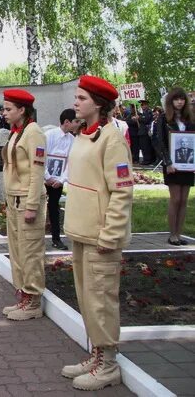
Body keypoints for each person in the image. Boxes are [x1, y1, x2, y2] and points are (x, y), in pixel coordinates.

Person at [61, 76, 132, 391]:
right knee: (87, 300)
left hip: (101, 237)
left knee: (101, 301)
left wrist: (110, 234)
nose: (76, 103)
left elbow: (122, 192)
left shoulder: (111, 139)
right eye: (76, 98)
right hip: (81, 231)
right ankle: (97, 354)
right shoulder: (84, 136)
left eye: (82, 98)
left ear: (99, 104)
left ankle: (108, 365)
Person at [0, 89, 47, 321]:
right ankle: (23, 297)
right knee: (18, 251)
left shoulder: (33, 133)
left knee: (30, 252)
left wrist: (32, 205)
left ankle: (33, 301)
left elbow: (37, 173)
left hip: (27, 200)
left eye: (9, 109)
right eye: (4, 108)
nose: (4, 113)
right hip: (14, 199)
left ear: (22, 110)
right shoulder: (17, 132)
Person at [153, 87, 195, 245]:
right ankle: (172, 235)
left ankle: (179, 234)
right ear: (171, 101)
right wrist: (167, 162)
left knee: (184, 200)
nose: (180, 102)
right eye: (176, 99)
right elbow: (158, 141)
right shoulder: (164, 118)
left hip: (188, 165)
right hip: (171, 165)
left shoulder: (190, 119)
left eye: (182, 99)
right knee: (175, 199)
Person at [44, 109, 81, 251]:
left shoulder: (72, 140)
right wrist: (47, 177)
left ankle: (56, 238)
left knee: (54, 207)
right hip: (45, 178)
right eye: (76, 121)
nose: (78, 124)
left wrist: (61, 179)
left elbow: (71, 162)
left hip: (58, 181)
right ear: (67, 122)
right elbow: (42, 158)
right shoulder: (49, 136)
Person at [138, 100, 154, 164]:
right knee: (143, 147)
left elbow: (146, 119)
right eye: (141, 105)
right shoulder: (143, 113)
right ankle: (145, 159)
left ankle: (147, 160)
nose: (142, 106)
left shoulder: (149, 112)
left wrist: (139, 118)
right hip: (142, 132)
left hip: (146, 132)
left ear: (146, 105)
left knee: (146, 147)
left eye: (143, 105)